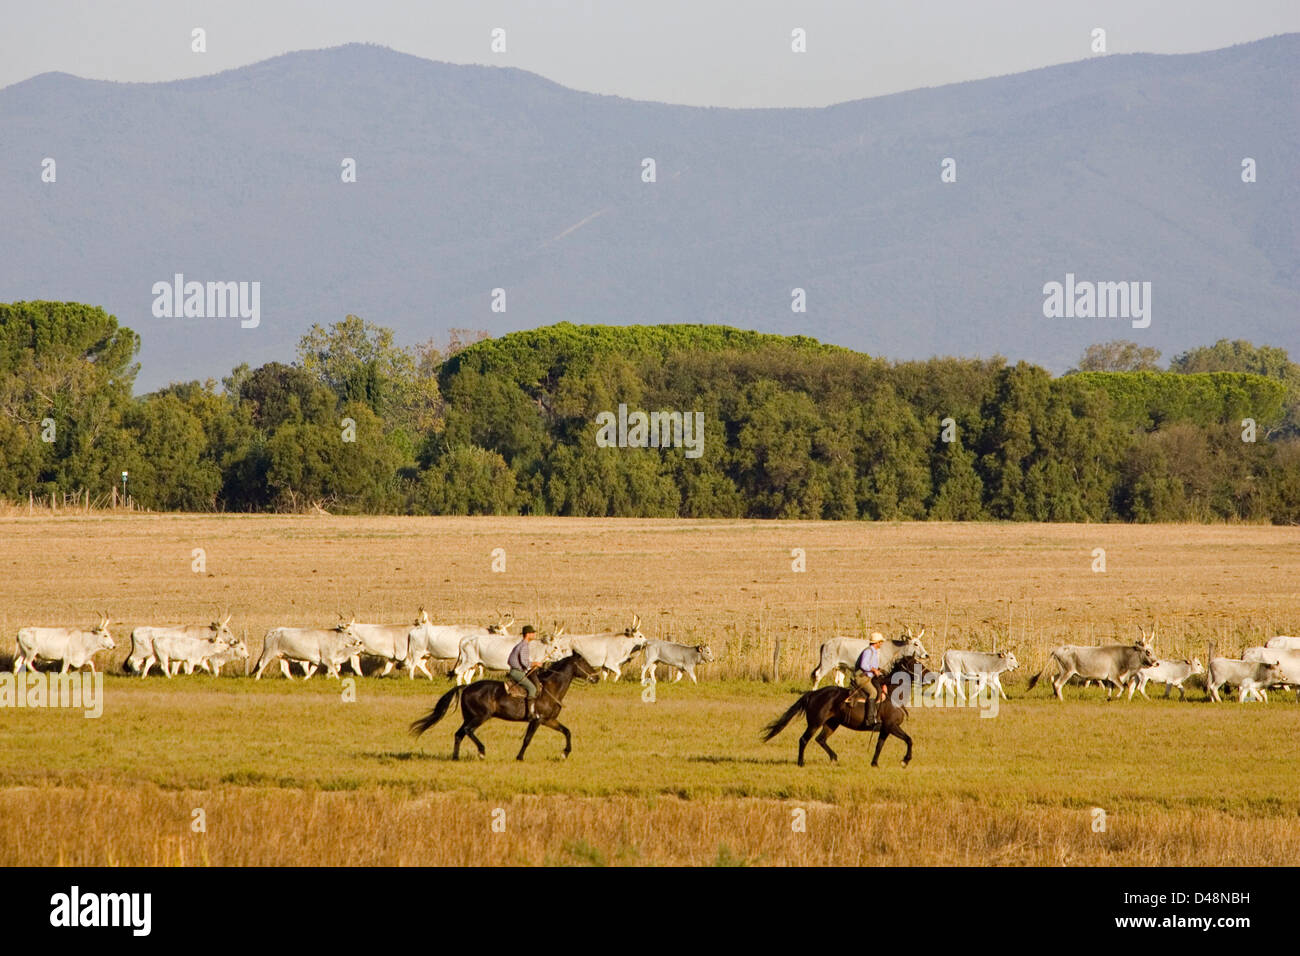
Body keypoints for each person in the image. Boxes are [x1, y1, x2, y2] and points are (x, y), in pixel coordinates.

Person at [852, 632, 887, 724]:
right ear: (877, 642)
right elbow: (863, 665)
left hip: (869, 677)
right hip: (861, 677)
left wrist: (878, 670)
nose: (881, 644)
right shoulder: (868, 651)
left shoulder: (874, 652)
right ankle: (869, 719)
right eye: (880, 642)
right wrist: (873, 670)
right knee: (873, 692)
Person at [507, 625, 541, 718]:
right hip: (517, 672)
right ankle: (530, 713)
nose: (534, 634)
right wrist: (535, 664)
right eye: (533, 633)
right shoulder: (524, 646)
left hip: (515, 671)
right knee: (532, 689)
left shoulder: (520, 645)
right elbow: (524, 662)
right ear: (528, 634)